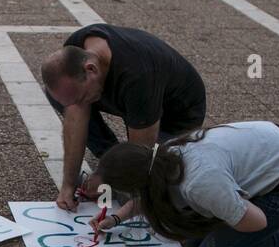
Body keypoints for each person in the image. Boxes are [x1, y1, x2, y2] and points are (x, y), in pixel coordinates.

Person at [88, 121, 279, 247]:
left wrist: (227, 212)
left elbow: (257, 222)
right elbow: (149, 196)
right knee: (193, 241)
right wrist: (115, 219)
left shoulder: (199, 183)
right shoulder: (163, 157)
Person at [40, 23, 205, 213]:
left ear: (91, 69)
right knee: (67, 99)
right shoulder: (77, 48)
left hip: (179, 114)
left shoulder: (137, 76)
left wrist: (107, 178)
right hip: (134, 96)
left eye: (82, 97)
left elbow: (140, 152)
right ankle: (109, 154)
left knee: (154, 172)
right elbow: (75, 118)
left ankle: (117, 164)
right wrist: (68, 185)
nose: (78, 105)